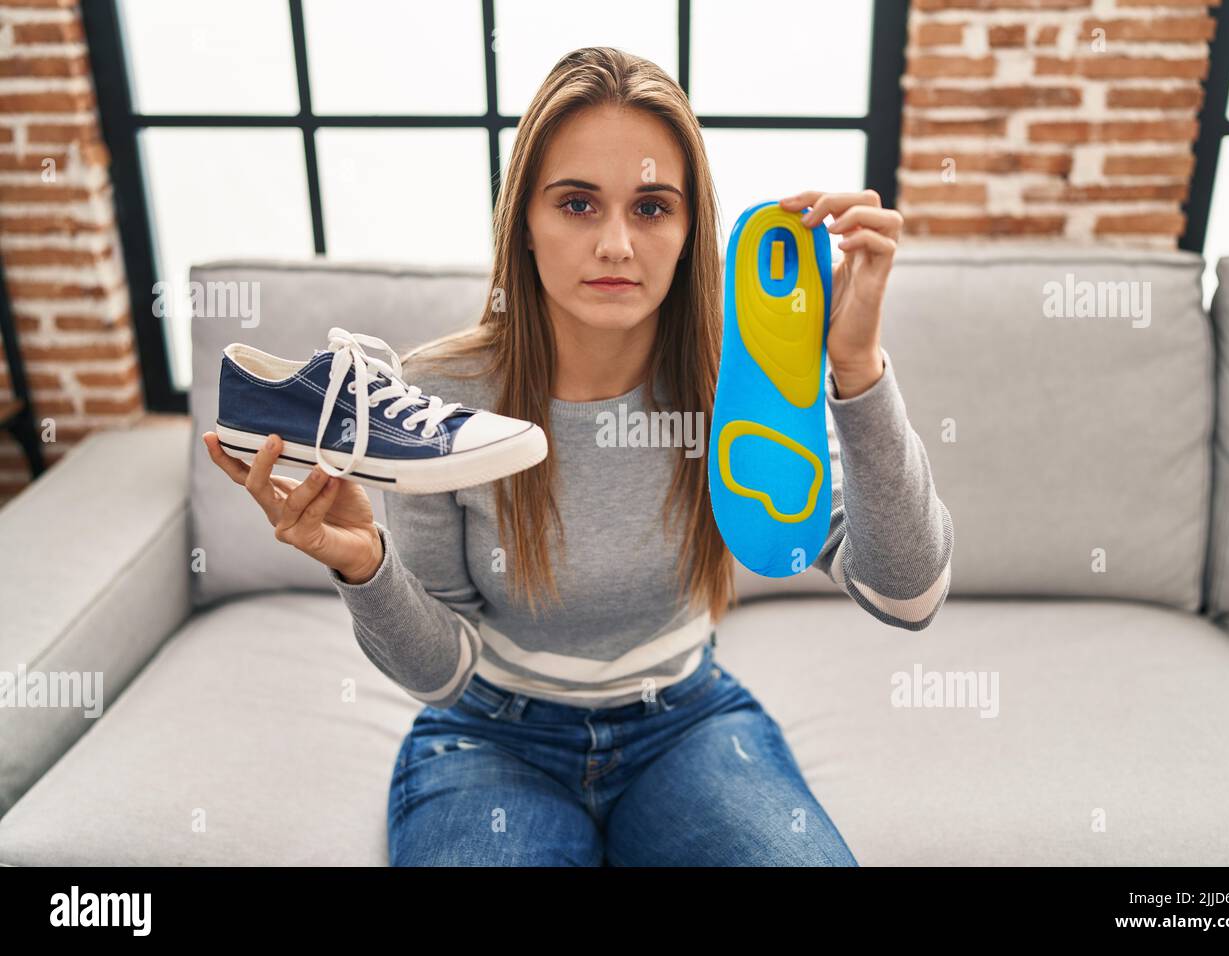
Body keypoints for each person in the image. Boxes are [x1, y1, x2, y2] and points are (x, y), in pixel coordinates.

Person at [202, 47, 953, 866]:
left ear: (691, 229)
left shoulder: (741, 389)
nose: (617, 245)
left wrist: (857, 369)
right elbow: (441, 673)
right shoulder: (442, 397)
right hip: (489, 738)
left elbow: (906, 595)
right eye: (578, 204)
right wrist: (365, 566)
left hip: (689, 721)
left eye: (653, 207)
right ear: (524, 221)